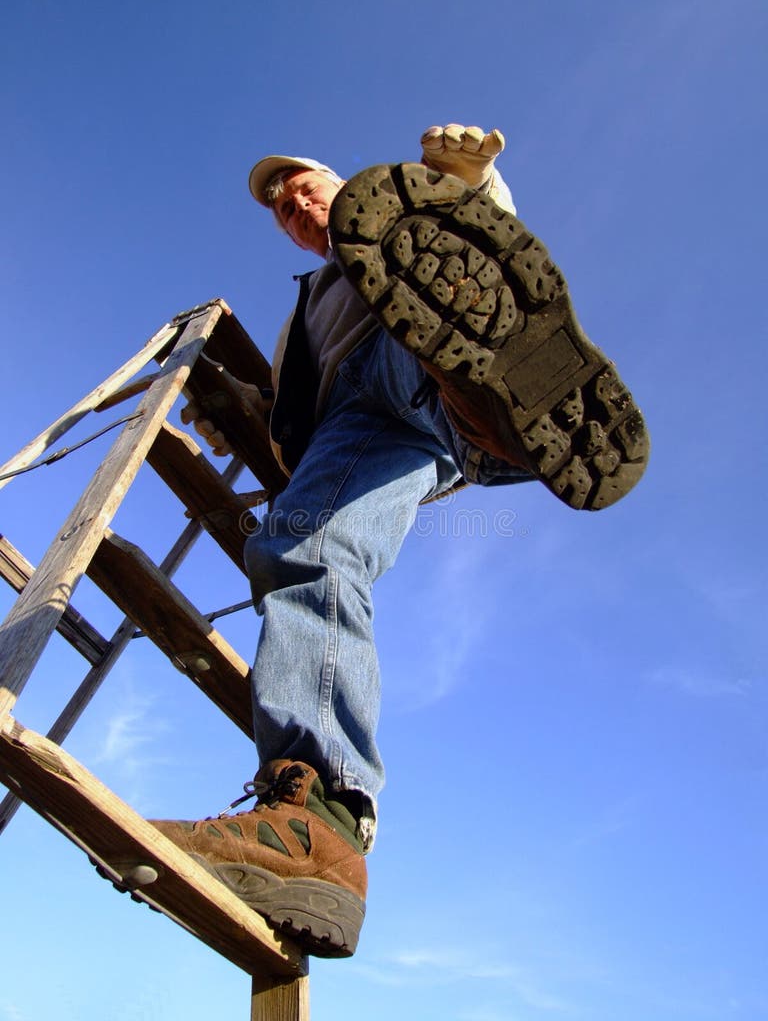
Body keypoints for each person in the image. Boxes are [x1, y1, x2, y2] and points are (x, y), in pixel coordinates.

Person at [152, 125, 649, 958]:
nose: (295, 207)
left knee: (433, 319)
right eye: (282, 210)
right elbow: (284, 401)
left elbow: (480, 255)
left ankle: (483, 393)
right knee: (302, 546)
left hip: (402, 356)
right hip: (357, 422)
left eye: (304, 187)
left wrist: (468, 182)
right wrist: (227, 404)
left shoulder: (390, 227)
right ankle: (483, 417)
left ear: (339, 182)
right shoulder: (302, 313)